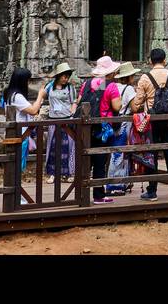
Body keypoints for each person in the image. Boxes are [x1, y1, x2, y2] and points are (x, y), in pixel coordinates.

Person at [135, 48, 168, 200]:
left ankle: (152, 191)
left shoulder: (145, 78)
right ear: (165, 60)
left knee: (152, 154)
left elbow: (137, 103)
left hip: (153, 122)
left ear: (150, 61)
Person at [77, 56, 121, 203]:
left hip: (86, 127)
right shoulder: (111, 85)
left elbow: (79, 101)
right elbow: (117, 106)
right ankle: (98, 195)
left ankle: (81, 194)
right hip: (102, 128)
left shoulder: (87, 83)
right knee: (100, 161)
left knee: (85, 159)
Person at [105, 61, 141, 196]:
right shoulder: (129, 89)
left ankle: (111, 182)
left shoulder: (112, 86)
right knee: (120, 153)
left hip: (111, 122)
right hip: (124, 122)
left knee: (112, 152)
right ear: (129, 77)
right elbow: (134, 108)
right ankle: (117, 184)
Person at [38, 63, 77, 183]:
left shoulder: (70, 88)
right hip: (53, 120)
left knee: (68, 147)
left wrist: (72, 115)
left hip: (66, 120)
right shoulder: (50, 86)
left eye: (67, 77)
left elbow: (74, 102)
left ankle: (69, 172)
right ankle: (53, 173)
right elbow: (41, 96)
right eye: (64, 76)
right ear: (58, 76)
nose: (66, 79)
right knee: (53, 147)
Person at [1, 67, 42, 172]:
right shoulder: (17, 96)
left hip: (15, 132)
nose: (28, 83)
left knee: (15, 165)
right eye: (27, 80)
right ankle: (16, 187)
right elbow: (33, 110)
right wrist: (40, 95)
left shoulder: (8, 93)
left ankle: (15, 186)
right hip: (21, 134)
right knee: (18, 165)